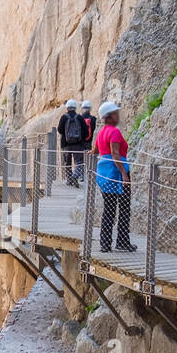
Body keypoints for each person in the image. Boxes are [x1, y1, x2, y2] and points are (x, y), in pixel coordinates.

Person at [94, 101, 136, 252]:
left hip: (103, 173)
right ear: (109, 117)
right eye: (116, 113)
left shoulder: (101, 132)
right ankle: (122, 242)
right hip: (117, 173)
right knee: (124, 207)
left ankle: (105, 243)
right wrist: (124, 174)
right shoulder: (114, 132)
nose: (118, 116)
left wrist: (91, 154)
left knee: (109, 208)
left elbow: (96, 149)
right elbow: (115, 153)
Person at [58, 99, 83, 186]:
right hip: (78, 144)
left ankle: (69, 180)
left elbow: (60, 130)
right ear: (75, 108)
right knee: (78, 162)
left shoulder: (64, 117)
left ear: (67, 108)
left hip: (66, 145)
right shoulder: (79, 117)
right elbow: (85, 131)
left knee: (67, 162)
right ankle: (75, 176)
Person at [75, 100, 95, 183]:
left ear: (82, 108)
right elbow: (93, 130)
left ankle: (78, 175)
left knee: (79, 160)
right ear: (90, 109)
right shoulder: (93, 119)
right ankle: (87, 177)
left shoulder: (79, 118)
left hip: (80, 143)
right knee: (88, 160)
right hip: (89, 142)